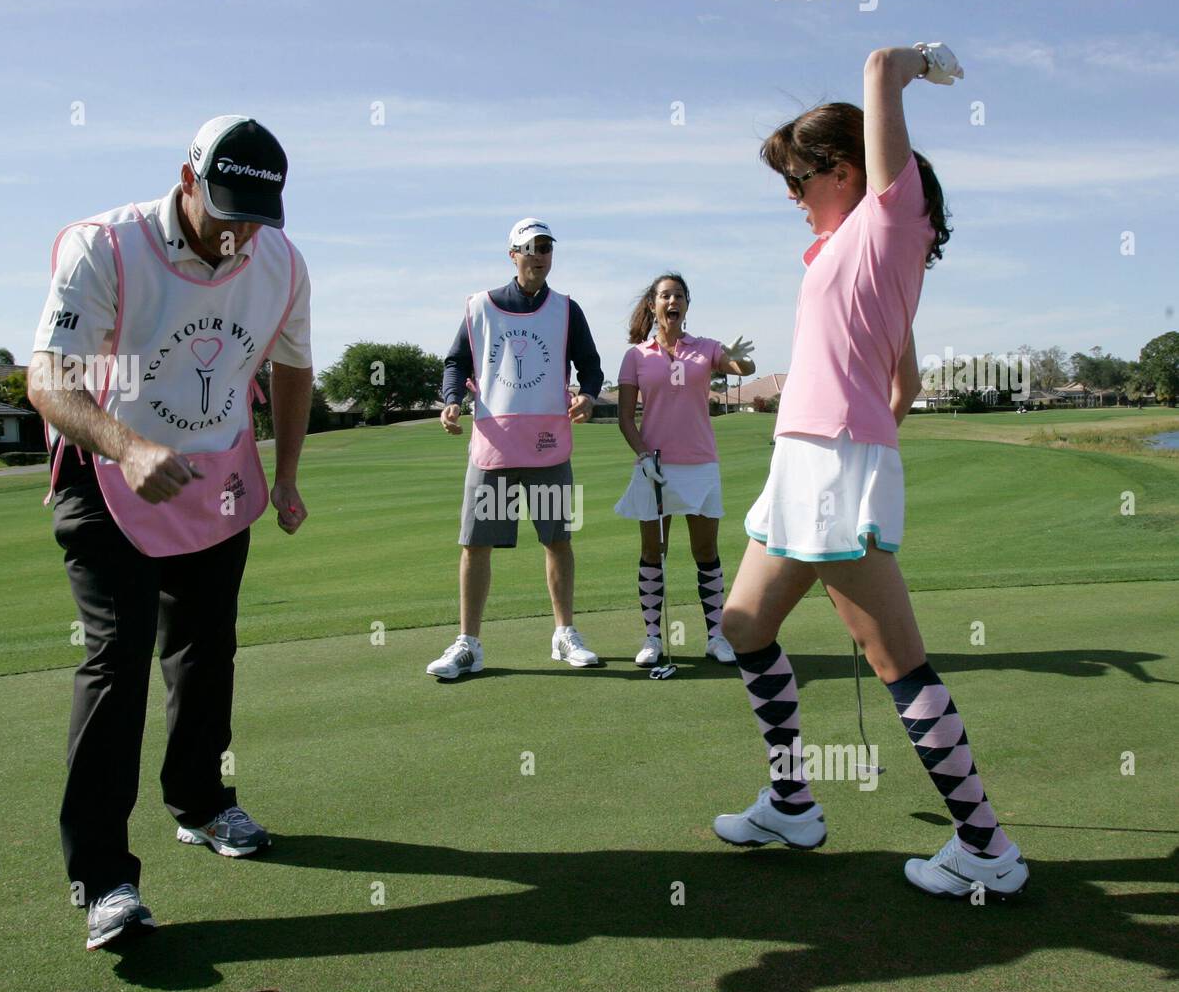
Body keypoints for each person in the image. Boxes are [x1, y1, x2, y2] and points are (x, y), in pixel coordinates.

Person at [712, 44, 1029, 898]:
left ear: (845, 171)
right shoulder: (851, 251)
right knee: (744, 624)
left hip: (827, 463)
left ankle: (987, 848)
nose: (788, 196)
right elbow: (907, 381)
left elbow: (880, 64)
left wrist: (923, 64)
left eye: (796, 178)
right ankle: (790, 801)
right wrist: (862, 449)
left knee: (897, 660)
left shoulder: (890, 222)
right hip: (810, 460)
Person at [28, 116, 313, 950]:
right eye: (226, 212)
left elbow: (292, 366)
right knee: (119, 658)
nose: (239, 236)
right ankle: (105, 879)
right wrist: (128, 445)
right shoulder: (103, 247)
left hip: (213, 469)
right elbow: (47, 379)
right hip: (105, 461)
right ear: (187, 180)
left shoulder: (281, 263)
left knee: (207, 644)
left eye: (257, 218)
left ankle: (201, 802)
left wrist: (288, 474)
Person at [427, 218, 604, 679]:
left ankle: (564, 634)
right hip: (494, 445)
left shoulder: (567, 309)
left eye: (547, 249)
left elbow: (590, 365)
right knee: (475, 545)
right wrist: (450, 401)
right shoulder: (480, 306)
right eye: (532, 249)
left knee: (558, 540)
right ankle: (469, 644)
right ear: (513, 254)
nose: (540, 256)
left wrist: (587, 395)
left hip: (548, 445)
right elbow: (456, 362)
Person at [613, 273, 755, 666]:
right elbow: (626, 418)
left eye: (677, 295)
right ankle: (653, 638)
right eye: (664, 296)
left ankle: (715, 636)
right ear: (653, 306)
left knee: (705, 551)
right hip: (653, 466)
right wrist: (643, 458)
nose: (671, 301)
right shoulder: (636, 356)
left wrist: (739, 357)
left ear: (686, 305)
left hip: (700, 463)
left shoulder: (705, 348)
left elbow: (742, 366)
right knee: (653, 551)